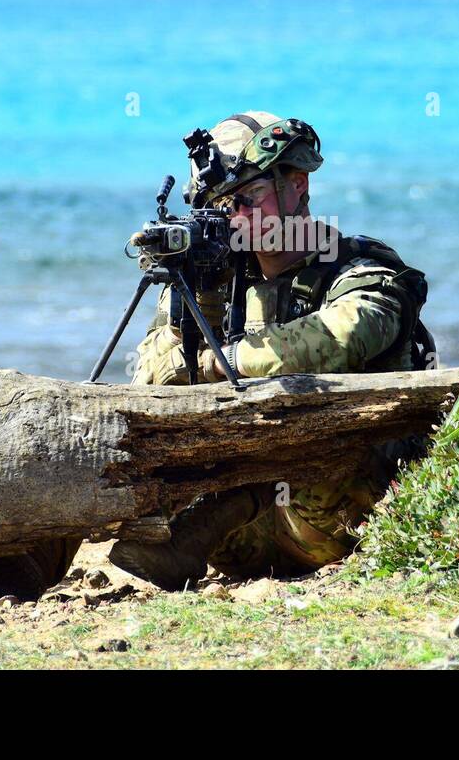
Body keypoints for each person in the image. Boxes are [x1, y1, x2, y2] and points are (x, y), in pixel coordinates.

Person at [108, 110, 434, 590]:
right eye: (222, 205)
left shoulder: (355, 266)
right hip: (235, 545)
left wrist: (230, 362)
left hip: (336, 516)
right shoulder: (216, 281)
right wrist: (191, 307)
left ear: (297, 184)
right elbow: (150, 372)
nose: (236, 216)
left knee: (301, 418)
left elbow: (350, 333)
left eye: (250, 197)